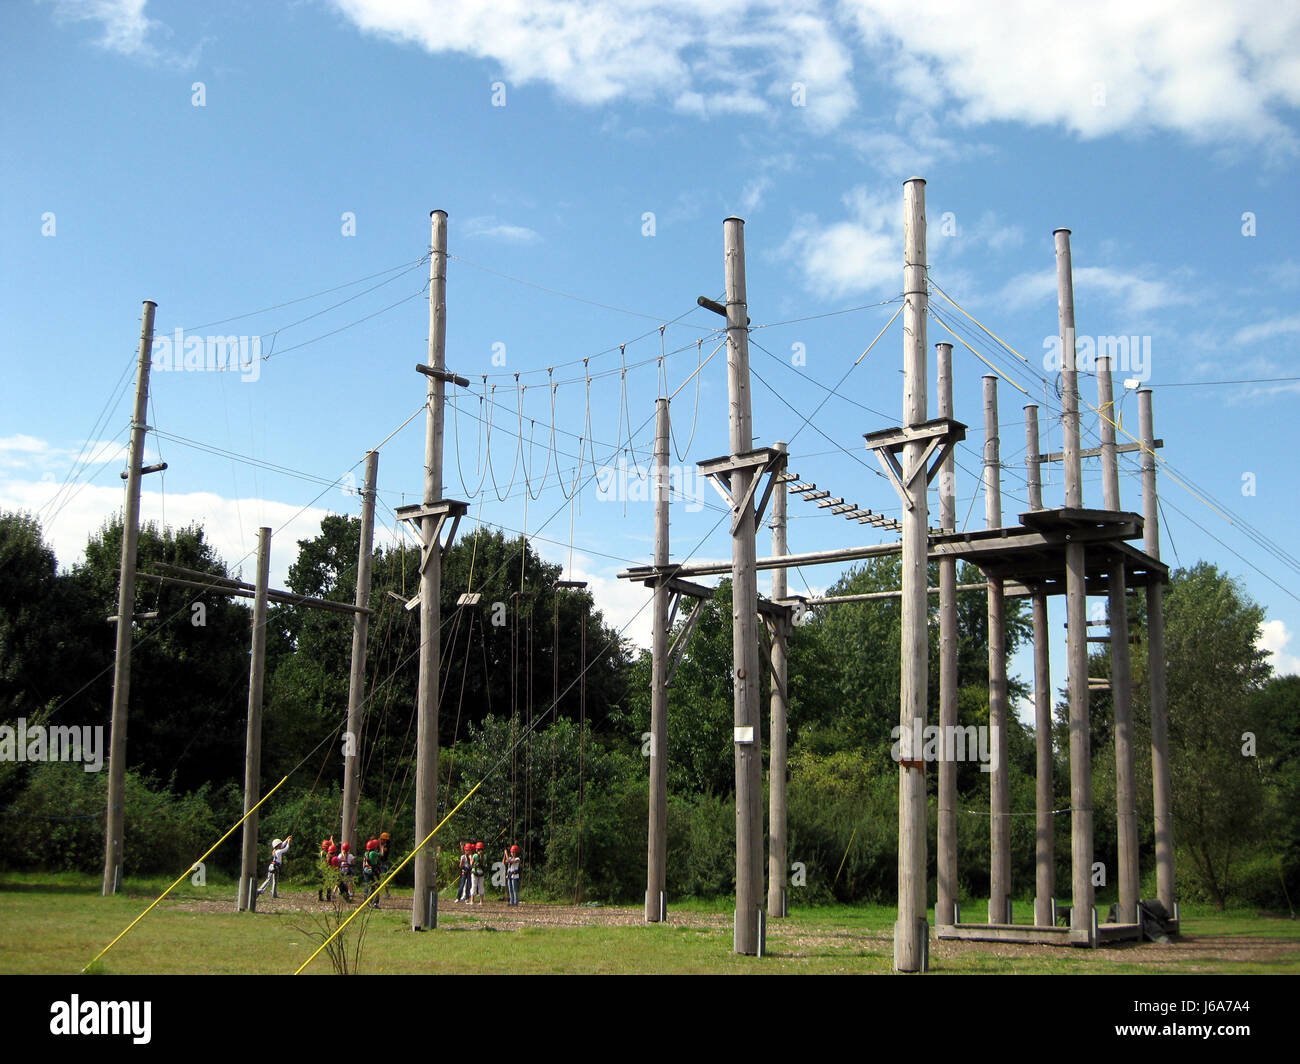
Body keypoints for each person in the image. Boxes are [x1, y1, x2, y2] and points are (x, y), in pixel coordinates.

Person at [362, 838, 383, 909]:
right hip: (372, 871)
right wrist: (381, 846)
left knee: (368, 885)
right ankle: (374, 902)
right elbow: (381, 854)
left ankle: (366, 899)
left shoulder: (366, 853)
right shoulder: (373, 853)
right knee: (376, 886)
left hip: (366, 870)